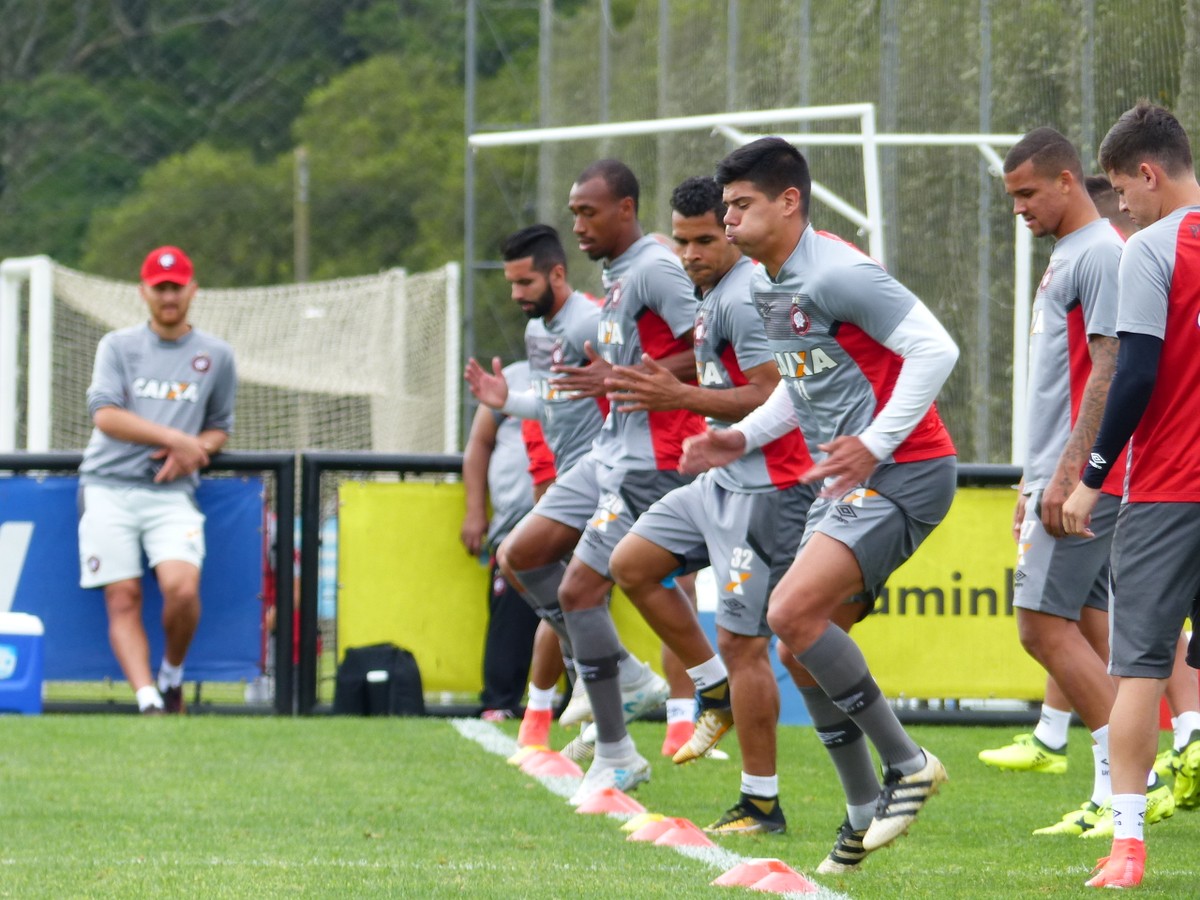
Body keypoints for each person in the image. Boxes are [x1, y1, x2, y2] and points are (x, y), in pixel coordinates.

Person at [682, 137, 959, 869]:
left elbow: (937, 349)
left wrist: (874, 442)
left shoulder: (838, 272)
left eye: (741, 205)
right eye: (726, 206)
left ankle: (908, 765)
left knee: (789, 614)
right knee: (797, 649)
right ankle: (863, 809)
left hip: (905, 469)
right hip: (847, 477)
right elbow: (799, 387)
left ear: (789, 202)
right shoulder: (767, 281)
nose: (729, 219)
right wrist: (738, 438)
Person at [606, 175, 815, 834]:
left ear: (732, 233)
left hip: (768, 489)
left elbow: (773, 392)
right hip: (719, 481)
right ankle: (714, 688)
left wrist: (682, 398)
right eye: (682, 241)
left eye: (704, 240)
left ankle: (761, 802)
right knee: (633, 563)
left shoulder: (749, 296)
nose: (691, 254)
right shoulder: (710, 293)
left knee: (745, 642)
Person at [497, 159, 703, 805]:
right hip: (609, 450)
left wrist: (624, 379)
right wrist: (608, 379)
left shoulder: (656, 268)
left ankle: (618, 752)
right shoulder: (616, 276)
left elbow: (714, 347)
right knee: (520, 556)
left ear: (625, 209)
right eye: (574, 213)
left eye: (589, 212)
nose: (579, 225)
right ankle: (628, 677)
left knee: (583, 589)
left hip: (651, 457)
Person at [1062, 101, 1200, 889]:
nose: (1120, 206)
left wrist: (1090, 480)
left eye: (1120, 189)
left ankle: (1127, 847)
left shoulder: (1151, 247)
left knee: (1142, 668)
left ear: (1148, 174)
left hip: (1170, 490)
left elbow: (1136, 372)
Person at [77, 246, 237, 714]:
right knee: (122, 595)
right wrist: (176, 438)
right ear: (143, 291)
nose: (169, 296)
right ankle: (148, 702)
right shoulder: (117, 345)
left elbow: (219, 427)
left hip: (172, 493)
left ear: (193, 290)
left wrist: (194, 451)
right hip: (107, 485)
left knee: (182, 588)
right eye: (160, 287)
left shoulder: (217, 355)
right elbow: (105, 415)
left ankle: (170, 676)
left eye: (177, 287)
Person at [465, 224, 607, 749]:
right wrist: (505, 400)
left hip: (608, 473)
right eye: (511, 283)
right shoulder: (536, 332)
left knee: (536, 567)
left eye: (524, 282)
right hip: (574, 476)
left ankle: (652, 689)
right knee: (552, 579)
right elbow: (551, 405)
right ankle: (602, 705)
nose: (515, 294)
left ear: (557, 274)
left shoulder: (590, 321)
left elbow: (640, 379)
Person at [460, 359, 546, 720]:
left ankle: (585, 702)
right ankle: (500, 702)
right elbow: (479, 443)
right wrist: (474, 510)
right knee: (510, 616)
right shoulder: (511, 377)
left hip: (576, 522)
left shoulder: (593, 373)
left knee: (579, 610)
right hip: (514, 526)